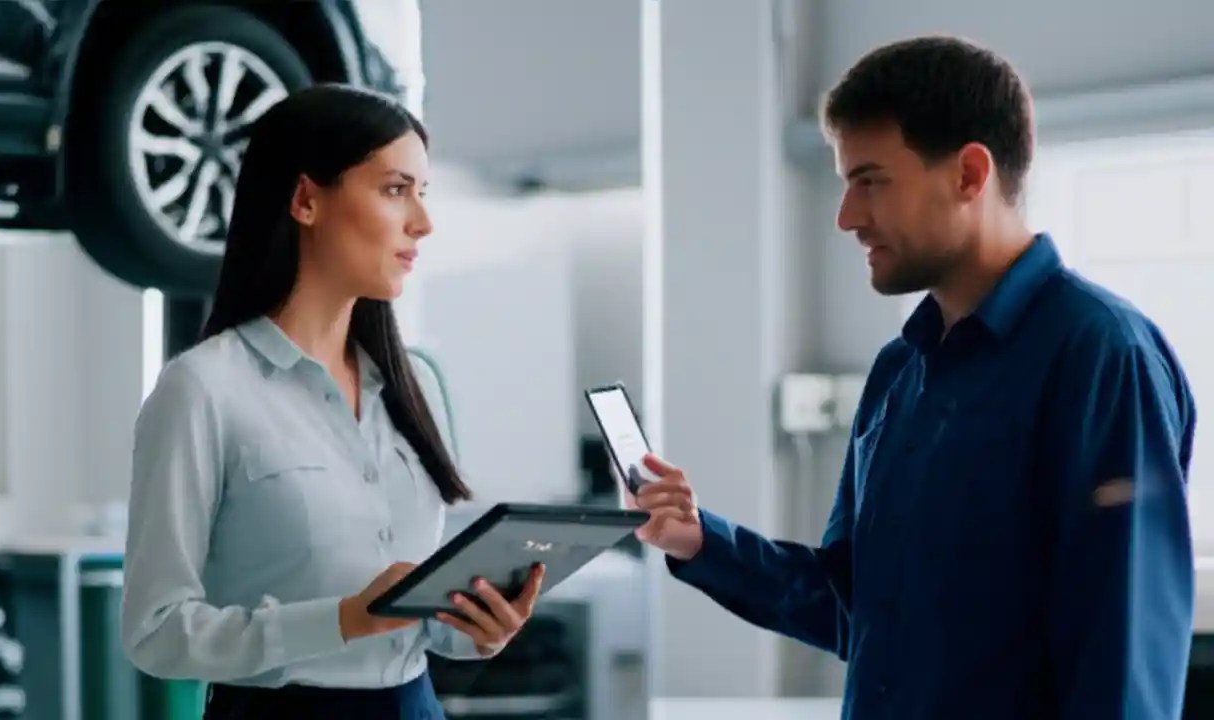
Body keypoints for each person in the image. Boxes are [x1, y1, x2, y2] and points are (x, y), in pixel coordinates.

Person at [628, 35, 1197, 720]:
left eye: (870, 181)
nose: (847, 217)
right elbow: (857, 609)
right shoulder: (901, 371)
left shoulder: (1101, 355)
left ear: (968, 174)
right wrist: (699, 540)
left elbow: (1123, 662)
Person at [120, 84, 545, 720]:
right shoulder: (203, 389)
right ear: (305, 200)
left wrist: (479, 628)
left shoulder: (415, 385)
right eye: (396, 190)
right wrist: (340, 620)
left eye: (422, 194)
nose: (423, 223)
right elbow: (155, 632)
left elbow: (418, 615)